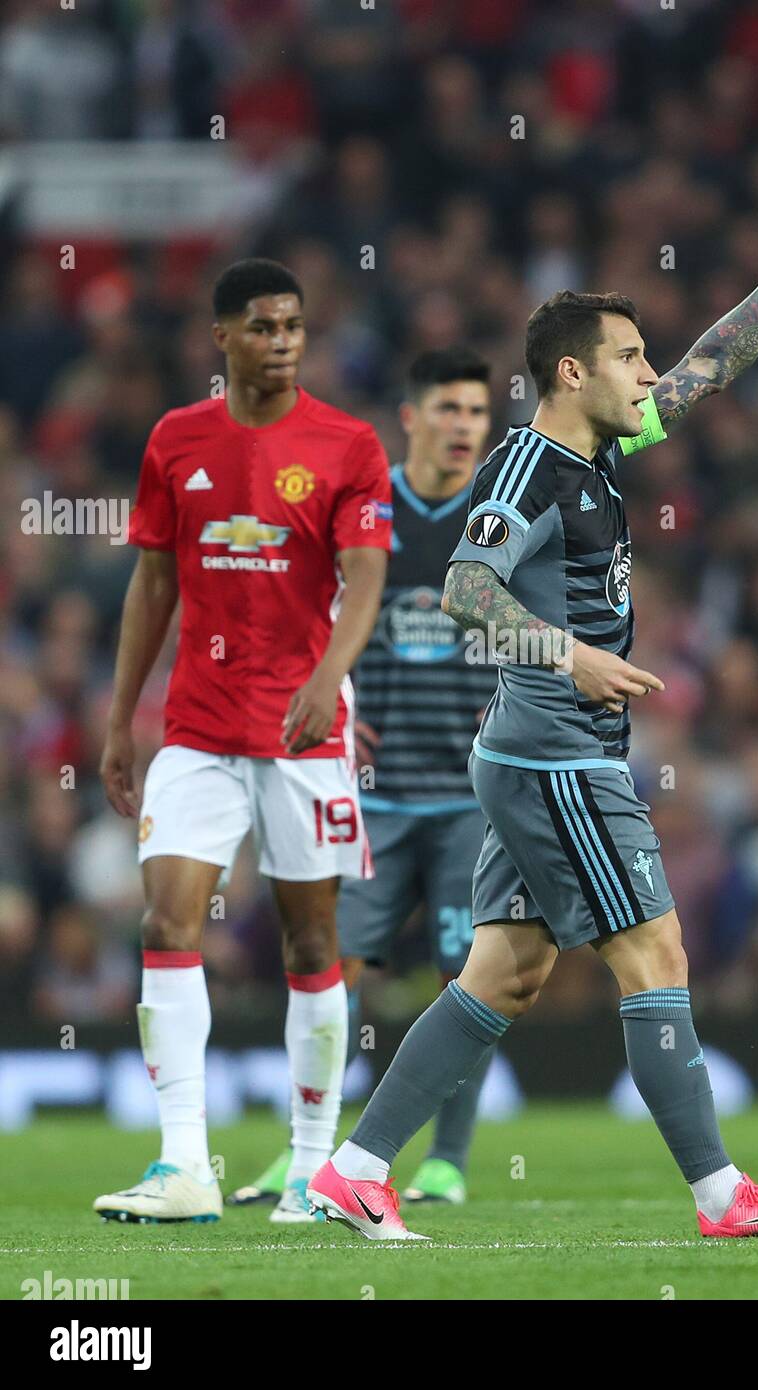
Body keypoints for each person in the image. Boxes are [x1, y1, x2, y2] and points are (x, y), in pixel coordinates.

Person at [307, 219, 758, 1241]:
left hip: (534, 755)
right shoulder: (526, 468)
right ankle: (720, 1195)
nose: (650, 375)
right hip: (556, 755)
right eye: (629, 358)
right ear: (569, 371)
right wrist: (572, 654)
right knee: (655, 951)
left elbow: (709, 369)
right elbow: (467, 587)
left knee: (504, 971)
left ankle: (354, 1168)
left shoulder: (600, 447)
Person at [93, 258, 391, 1224]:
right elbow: (151, 586)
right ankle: (185, 1165)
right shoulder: (177, 440)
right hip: (199, 728)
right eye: (263, 327)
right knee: (166, 924)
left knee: (310, 941)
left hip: (305, 730)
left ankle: (312, 1168)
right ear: (221, 337)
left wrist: (322, 680)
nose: (283, 342)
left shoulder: (346, 443)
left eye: (295, 326)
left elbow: (364, 580)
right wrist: (117, 715)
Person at [229, 346, 499, 1215]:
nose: (464, 426)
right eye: (448, 409)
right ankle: (302, 1152)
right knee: (329, 966)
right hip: (372, 791)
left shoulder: (497, 512)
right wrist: (333, 689)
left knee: (471, 972)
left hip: (467, 796)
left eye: (477, 412)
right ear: (411, 417)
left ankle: (446, 1162)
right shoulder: (367, 501)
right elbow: (304, 600)